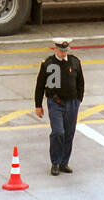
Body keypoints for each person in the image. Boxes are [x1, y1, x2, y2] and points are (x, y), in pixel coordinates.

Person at [34, 37, 84, 176]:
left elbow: (80, 82)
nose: (63, 54)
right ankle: (55, 162)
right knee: (58, 132)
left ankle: (64, 163)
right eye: (61, 51)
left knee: (69, 133)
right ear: (55, 49)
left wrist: (79, 99)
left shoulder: (75, 62)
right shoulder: (48, 64)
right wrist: (38, 105)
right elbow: (40, 85)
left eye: (65, 51)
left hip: (72, 102)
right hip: (55, 102)